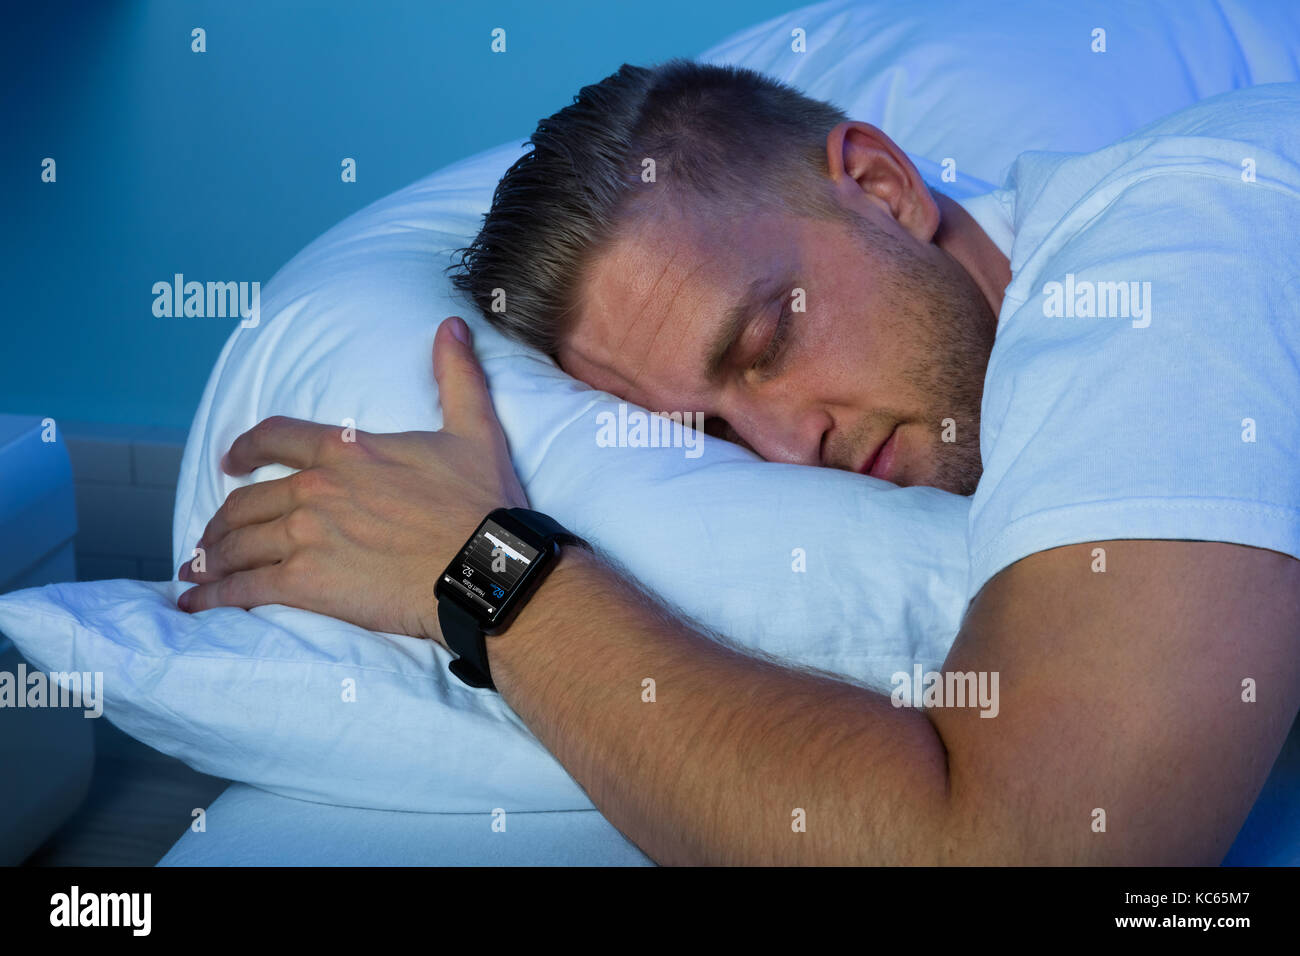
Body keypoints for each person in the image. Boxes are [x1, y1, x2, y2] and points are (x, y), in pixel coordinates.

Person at [176, 61, 1300, 864]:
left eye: (767, 339)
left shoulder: (1173, 247)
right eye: (711, 437)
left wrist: (492, 573)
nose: (786, 450)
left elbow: (1024, 846)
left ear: (881, 186)